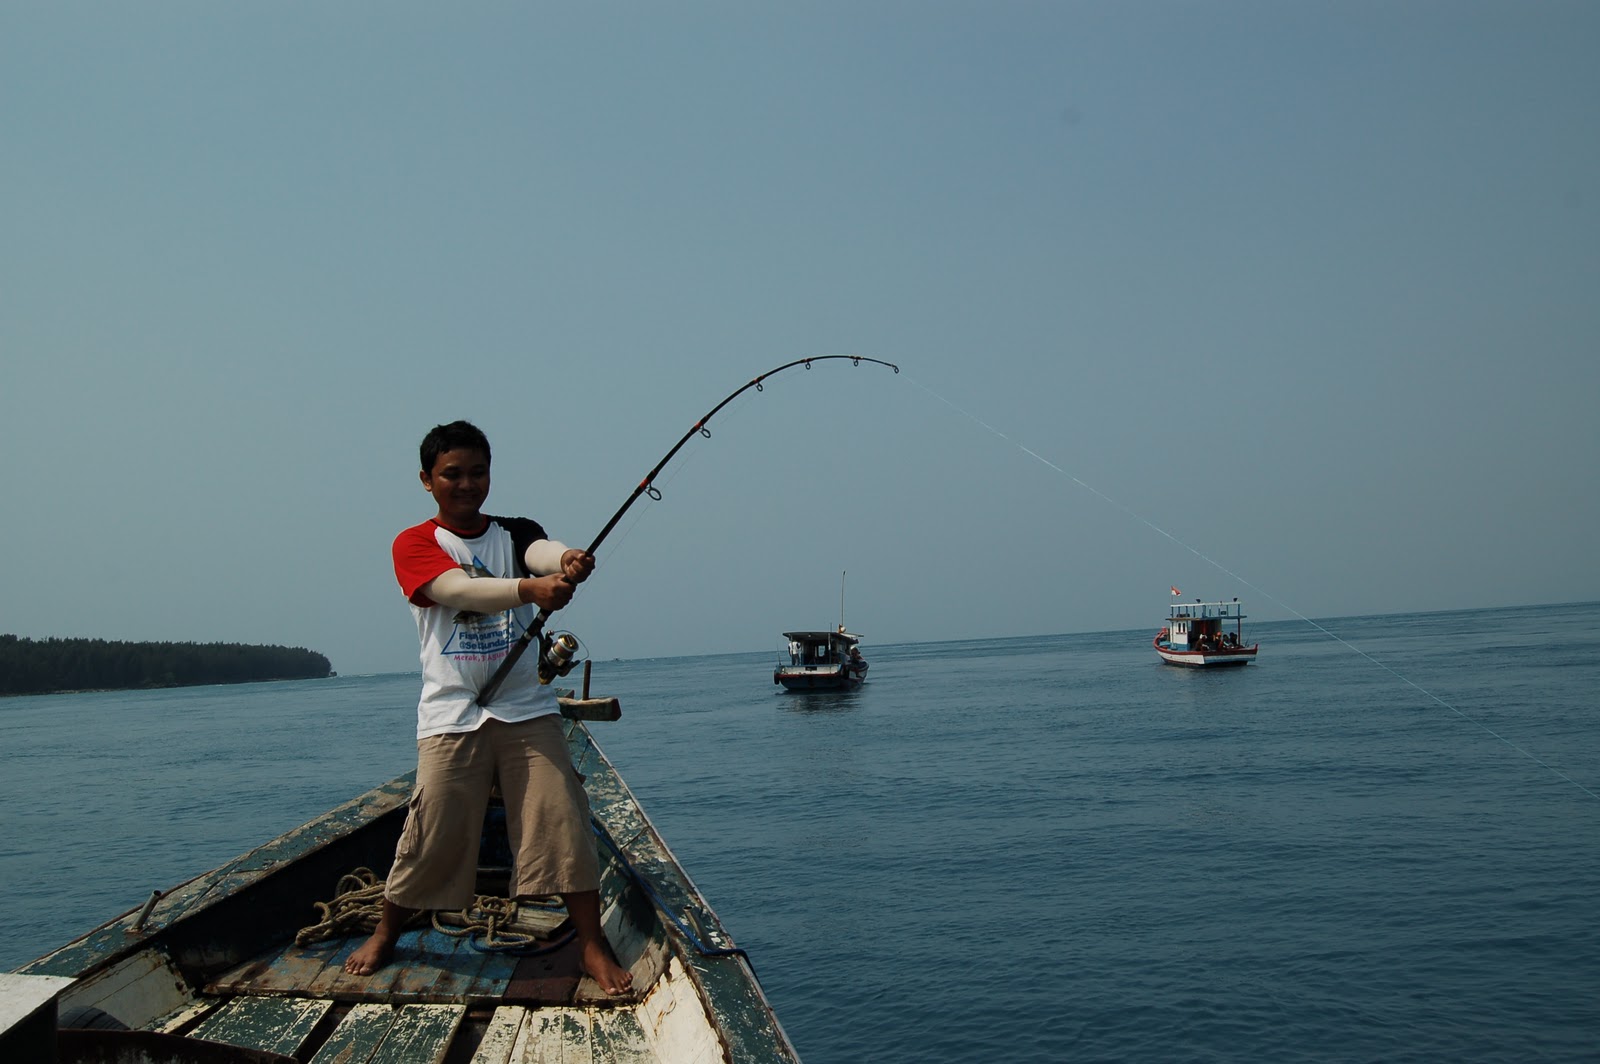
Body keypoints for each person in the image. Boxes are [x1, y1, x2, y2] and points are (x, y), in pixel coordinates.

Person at [344, 420, 633, 995]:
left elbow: (540, 552)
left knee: (563, 818)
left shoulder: (514, 532)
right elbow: (455, 590)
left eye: (478, 472)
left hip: (526, 708)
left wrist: (567, 559)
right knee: (432, 827)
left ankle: (591, 945)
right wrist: (528, 590)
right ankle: (386, 930)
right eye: (452, 474)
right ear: (427, 480)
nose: (467, 484)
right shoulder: (415, 543)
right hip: (452, 711)